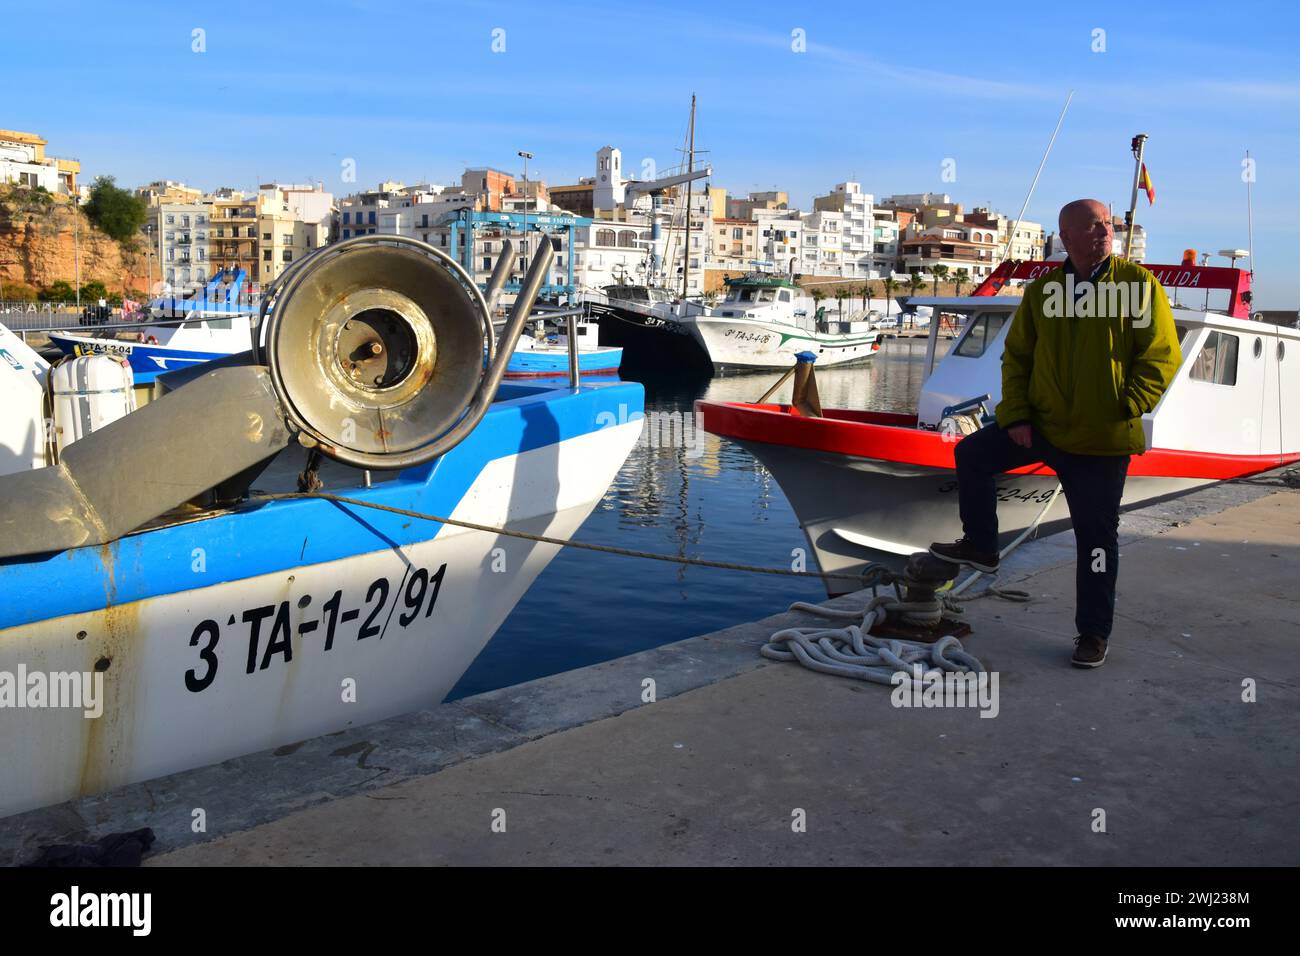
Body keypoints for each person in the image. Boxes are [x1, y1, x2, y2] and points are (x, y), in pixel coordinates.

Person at [928, 199, 1182, 668]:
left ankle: (1093, 634)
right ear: (1066, 236)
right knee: (973, 455)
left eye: (1107, 224)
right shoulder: (1044, 293)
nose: (1104, 232)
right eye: (1092, 226)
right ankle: (983, 546)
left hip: (1101, 440)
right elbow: (1018, 358)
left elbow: (1161, 356)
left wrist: (1125, 407)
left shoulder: (1138, 285)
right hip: (1043, 426)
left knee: (1097, 540)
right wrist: (1018, 416)